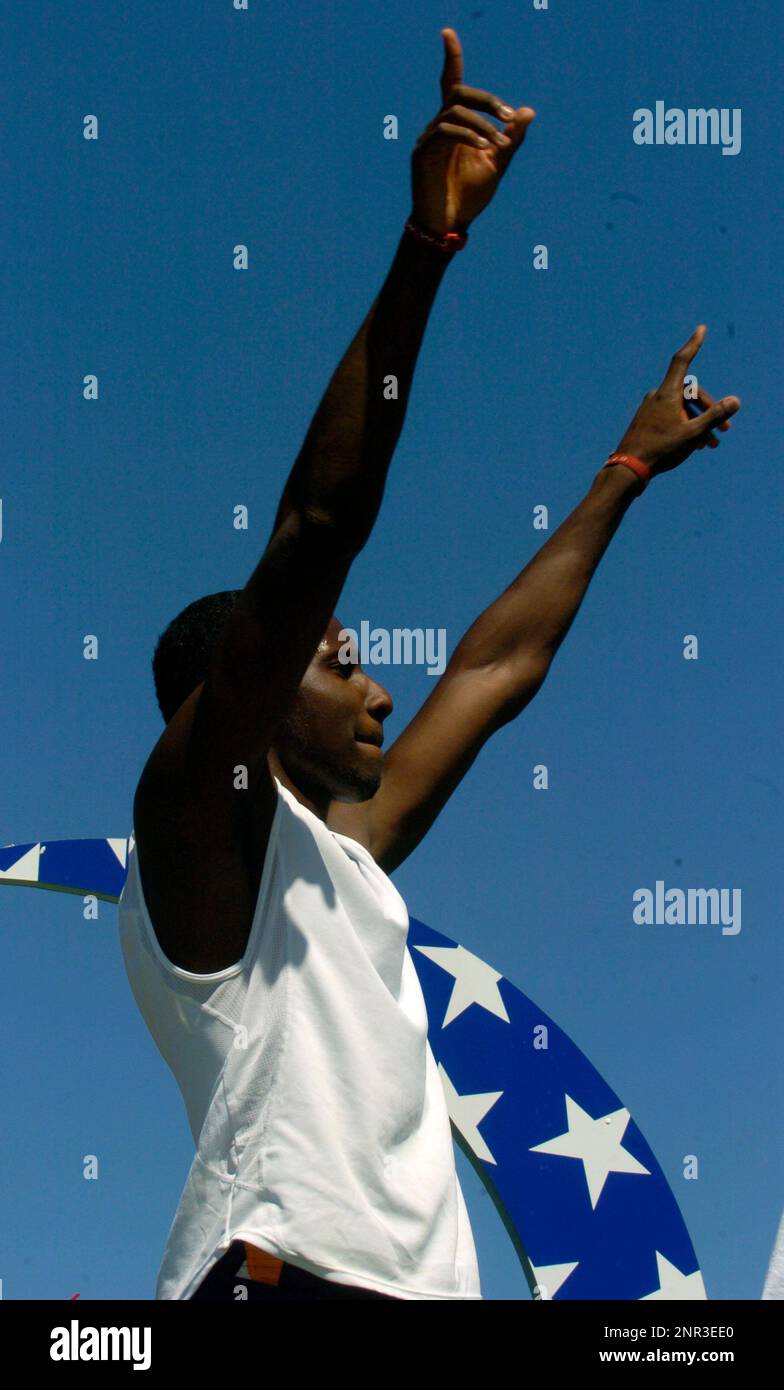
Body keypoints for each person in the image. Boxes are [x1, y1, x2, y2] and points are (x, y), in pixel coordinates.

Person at [118, 29, 740, 1302]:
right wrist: (429, 247)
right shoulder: (192, 834)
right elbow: (319, 527)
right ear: (237, 683)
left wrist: (623, 473)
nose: (379, 687)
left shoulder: (343, 861)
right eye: (338, 658)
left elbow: (496, 670)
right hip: (279, 1275)